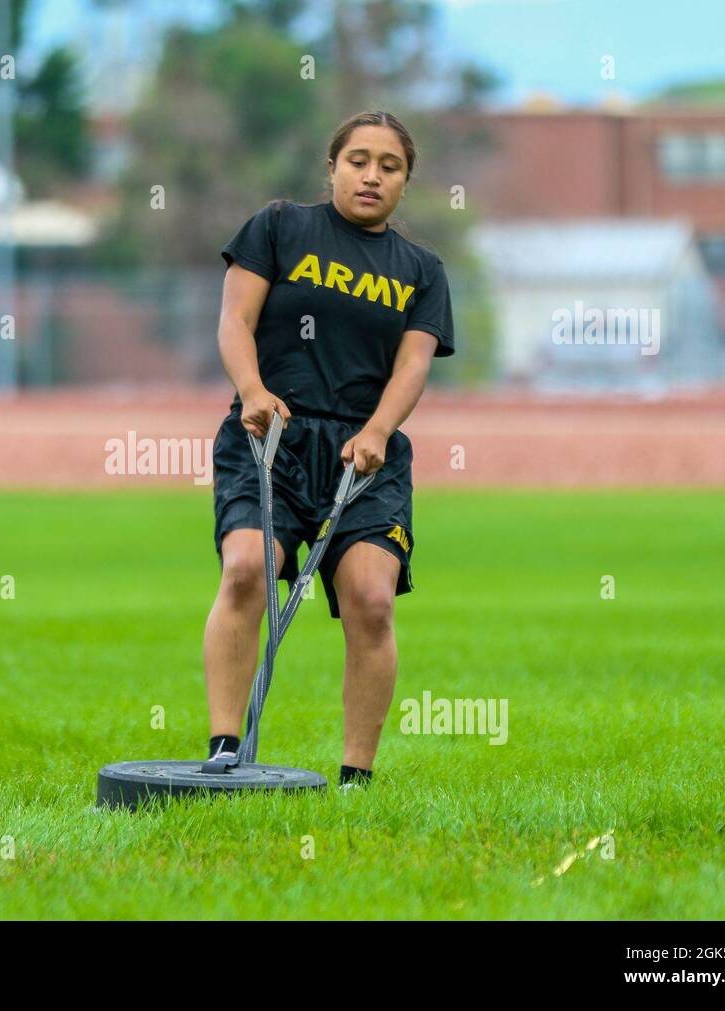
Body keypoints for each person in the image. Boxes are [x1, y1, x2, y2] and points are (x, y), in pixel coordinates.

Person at [204, 110, 455, 787]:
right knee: (247, 571)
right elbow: (234, 318)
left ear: (406, 182)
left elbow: (413, 365)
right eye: (359, 160)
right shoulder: (281, 226)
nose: (372, 175)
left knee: (372, 600)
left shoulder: (422, 270)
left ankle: (356, 779)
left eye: (389, 166)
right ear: (333, 166)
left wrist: (377, 430)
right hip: (272, 435)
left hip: (364, 452)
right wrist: (252, 389)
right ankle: (225, 745)